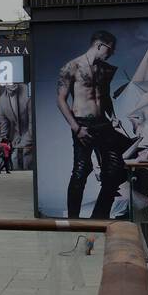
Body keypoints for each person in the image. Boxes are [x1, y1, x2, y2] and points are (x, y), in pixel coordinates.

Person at [56, 29, 127, 219]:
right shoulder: (72, 67)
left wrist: (112, 116)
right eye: (109, 50)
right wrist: (76, 127)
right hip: (82, 123)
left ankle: (99, 218)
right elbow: (61, 100)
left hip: (103, 123)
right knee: (81, 170)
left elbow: (104, 97)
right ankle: (73, 220)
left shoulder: (104, 69)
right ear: (99, 45)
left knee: (115, 170)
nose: (110, 54)